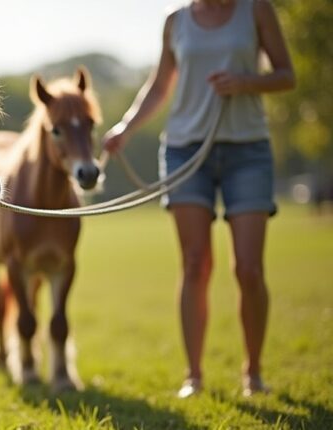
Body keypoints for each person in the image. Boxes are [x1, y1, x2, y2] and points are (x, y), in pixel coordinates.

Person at [102, 0, 295, 398]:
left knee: (249, 269)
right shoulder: (176, 21)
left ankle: (253, 372)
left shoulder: (256, 10)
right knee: (195, 263)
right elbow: (159, 86)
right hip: (185, 151)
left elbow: (286, 76)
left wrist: (246, 82)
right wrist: (126, 127)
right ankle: (193, 375)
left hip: (247, 150)